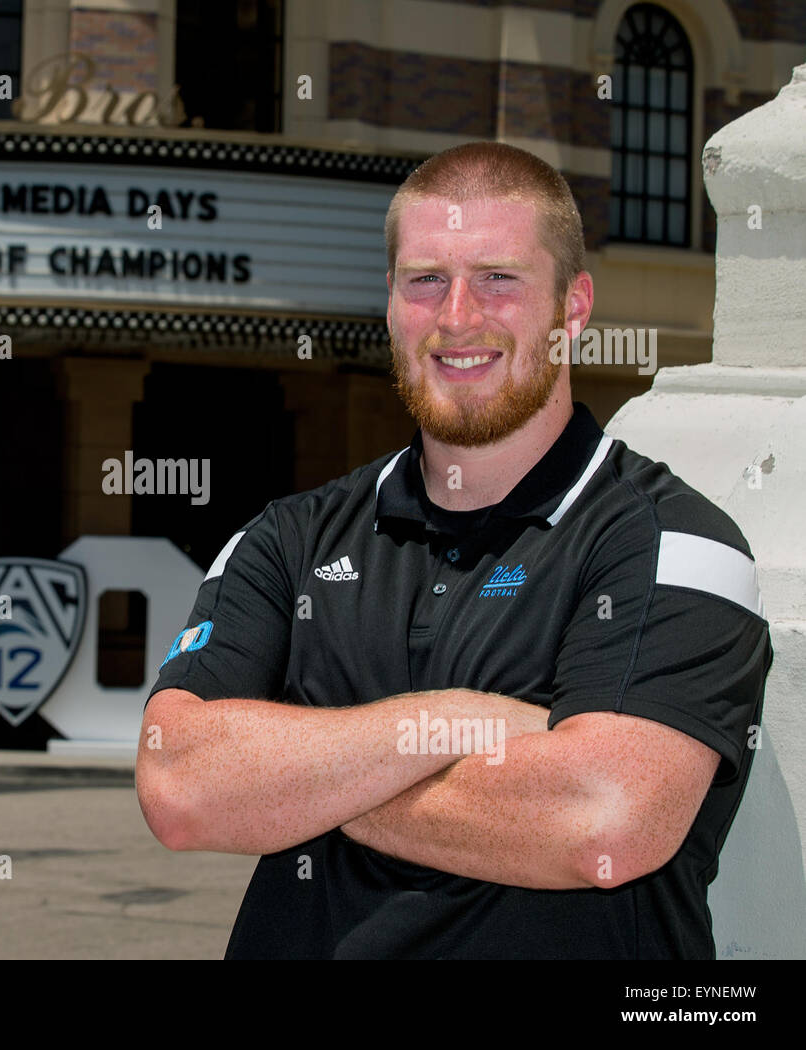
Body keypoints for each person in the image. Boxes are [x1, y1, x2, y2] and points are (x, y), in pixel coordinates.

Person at [135, 141, 773, 960]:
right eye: (425, 279)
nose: (457, 316)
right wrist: (455, 722)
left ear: (572, 309)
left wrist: (296, 782)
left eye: (499, 279)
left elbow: (598, 823)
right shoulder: (286, 538)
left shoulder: (675, 544)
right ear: (392, 303)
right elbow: (180, 787)